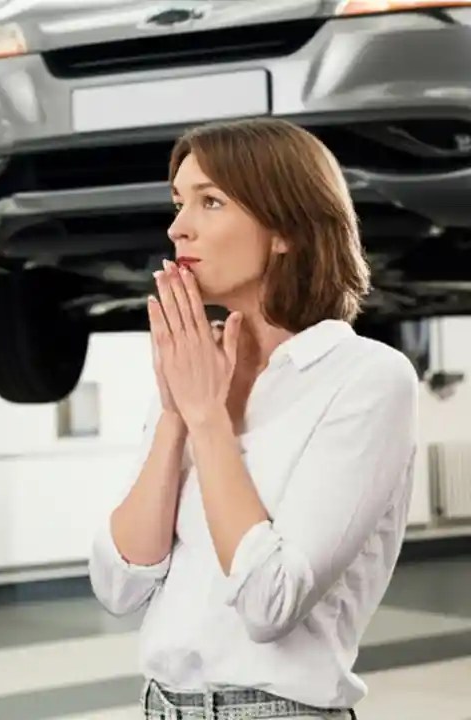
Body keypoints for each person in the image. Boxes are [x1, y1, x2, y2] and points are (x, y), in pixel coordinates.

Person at [88, 117, 419, 720]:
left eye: (210, 201)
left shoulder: (367, 378)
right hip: (160, 707)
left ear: (287, 229)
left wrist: (209, 420)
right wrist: (175, 416)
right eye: (178, 201)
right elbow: (119, 586)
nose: (177, 226)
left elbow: (271, 603)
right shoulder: (198, 371)